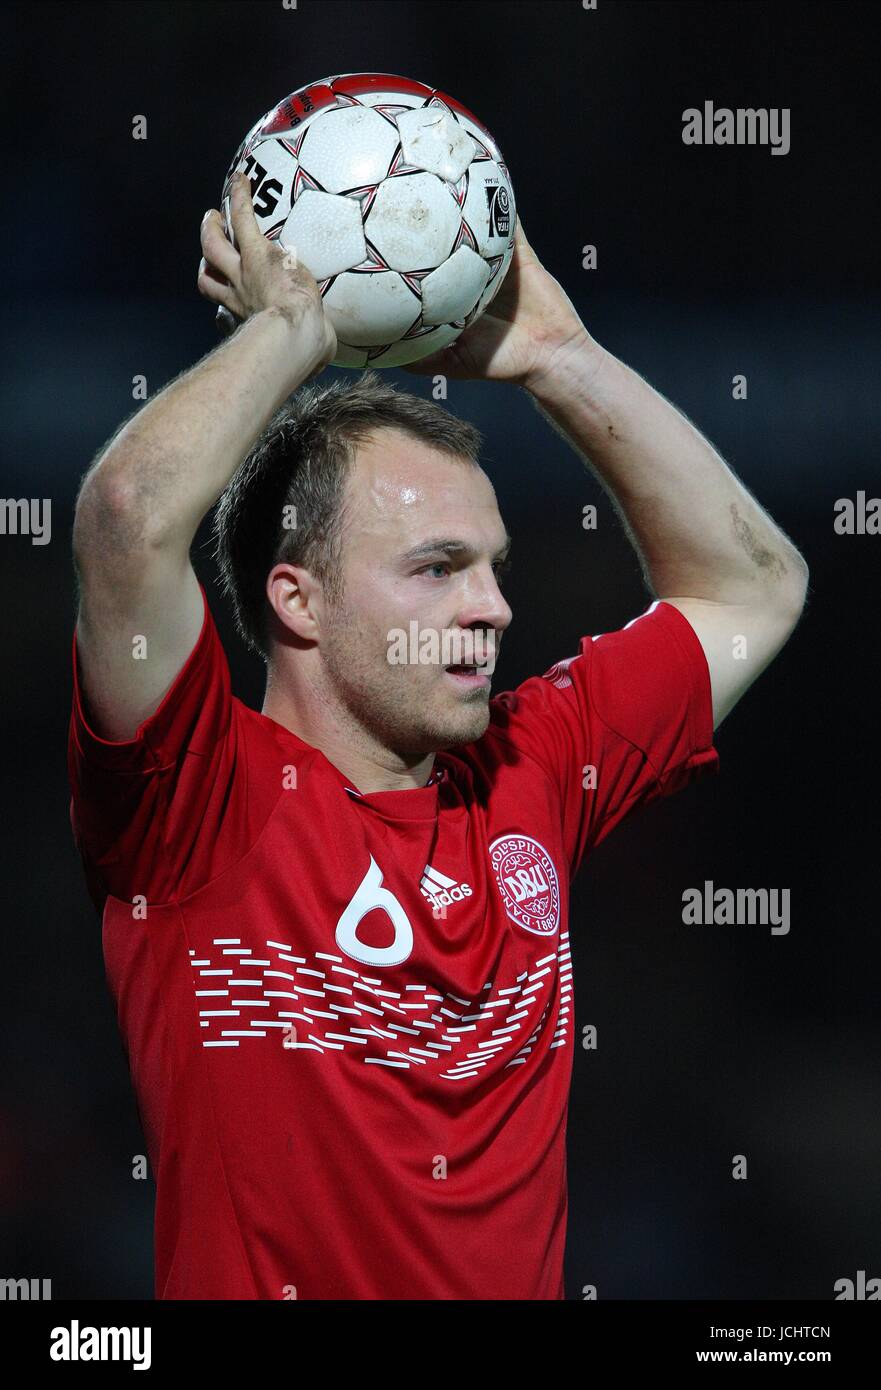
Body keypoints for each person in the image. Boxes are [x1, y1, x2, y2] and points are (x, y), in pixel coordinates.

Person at [68, 171, 808, 1299]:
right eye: (436, 568)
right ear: (297, 600)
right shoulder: (193, 805)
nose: (493, 607)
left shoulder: (532, 765)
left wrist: (560, 356)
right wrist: (288, 332)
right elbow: (128, 519)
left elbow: (752, 588)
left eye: (492, 566)